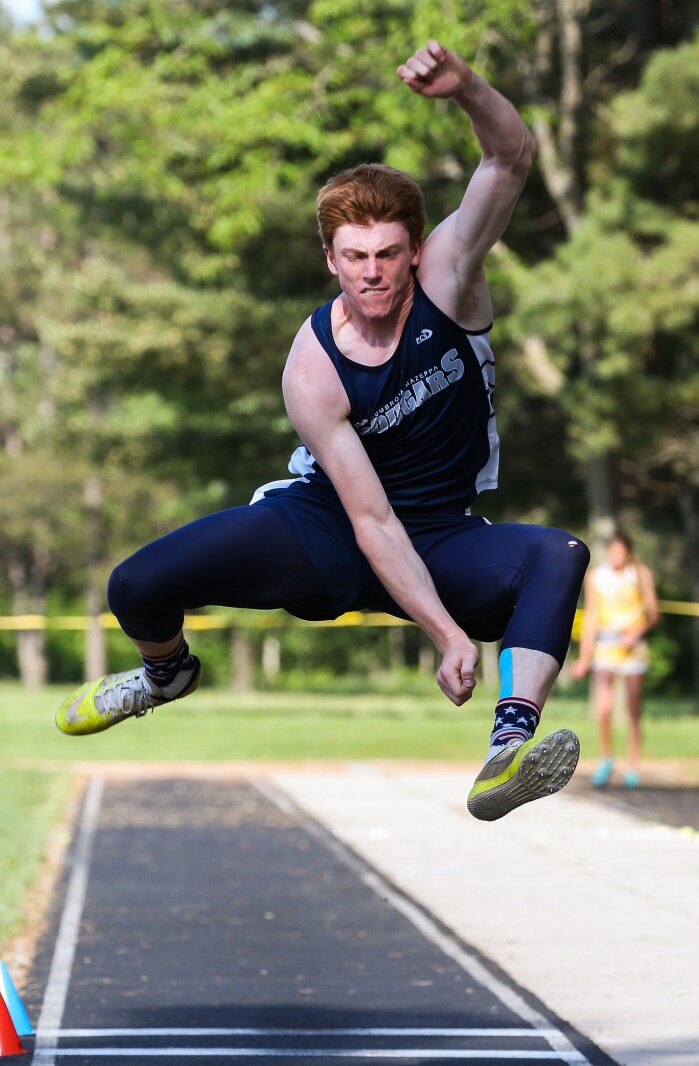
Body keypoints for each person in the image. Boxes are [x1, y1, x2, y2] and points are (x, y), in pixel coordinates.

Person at [56, 39, 590, 821]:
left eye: (386, 254)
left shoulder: (449, 277)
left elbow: (508, 159)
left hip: (441, 535)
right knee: (134, 584)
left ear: (414, 254)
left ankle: (507, 747)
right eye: (353, 258)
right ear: (329, 260)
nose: (371, 273)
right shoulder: (310, 367)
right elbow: (370, 519)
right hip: (325, 529)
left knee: (556, 554)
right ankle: (166, 674)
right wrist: (446, 634)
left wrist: (467, 87)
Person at [571, 531, 659, 787]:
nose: (617, 557)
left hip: (632, 648)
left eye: (621, 553)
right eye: (613, 552)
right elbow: (591, 617)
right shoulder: (597, 576)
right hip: (606, 646)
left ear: (628, 552)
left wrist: (636, 632)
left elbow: (652, 613)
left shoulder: (640, 574)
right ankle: (607, 757)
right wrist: (585, 657)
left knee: (633, 709)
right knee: (604, 707)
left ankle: (632, 763)